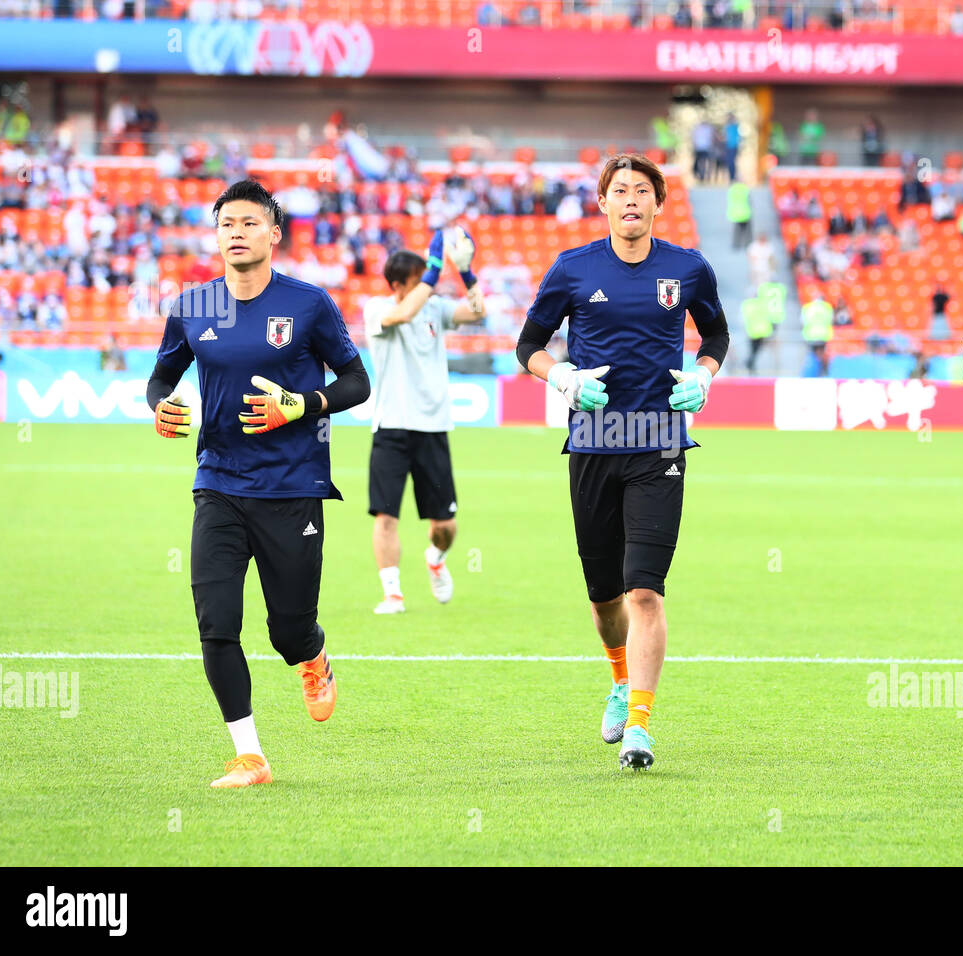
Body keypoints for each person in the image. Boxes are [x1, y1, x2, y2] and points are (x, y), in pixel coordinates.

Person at [146, 180, 370, 788]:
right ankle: (251, 755)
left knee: (288, 630)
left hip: (293, 488)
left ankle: (313, 657)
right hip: (217, 484)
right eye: (227, 224)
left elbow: (357, 382)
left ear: (273, 234)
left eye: (249, 222)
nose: (236, 232)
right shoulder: (193, 307)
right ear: (215, 235)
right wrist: (160, 406)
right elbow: (161, 378)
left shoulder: (308, 304)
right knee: (216, 623)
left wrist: (304, 404)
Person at [513, 153, 729, 771]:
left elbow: (716, 335)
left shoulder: (688, 268)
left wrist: (704, 375)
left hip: (660, 442)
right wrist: (563, 378)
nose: (631, 199)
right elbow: (528, 345)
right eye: (619, 190)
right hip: (592, 442)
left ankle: (639, 724)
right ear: (602, 202)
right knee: (605, 596)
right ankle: (616, 677)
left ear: (658, 204)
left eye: (642, 191)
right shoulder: (572, 269)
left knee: (645, 592)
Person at [363, 235, 487, 614]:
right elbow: (402, 315)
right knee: (385, 515)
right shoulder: (377, 308)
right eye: (419, 280)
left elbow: (477, 312)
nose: (428, 287)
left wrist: (466, 273)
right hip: (391, 426)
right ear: (398, 285)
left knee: (446, 525)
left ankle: (435, 557)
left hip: (433, 427)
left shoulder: (434, 307)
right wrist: (435, 270)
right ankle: (393, 595)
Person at [727, 179, 752, 249]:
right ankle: (747, 244)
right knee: (746, 231)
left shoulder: (732, 189)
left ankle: (736, 245)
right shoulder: (745, 189)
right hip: (745, 212)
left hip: (735, 213)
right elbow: (749, 200)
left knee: (737, 231)